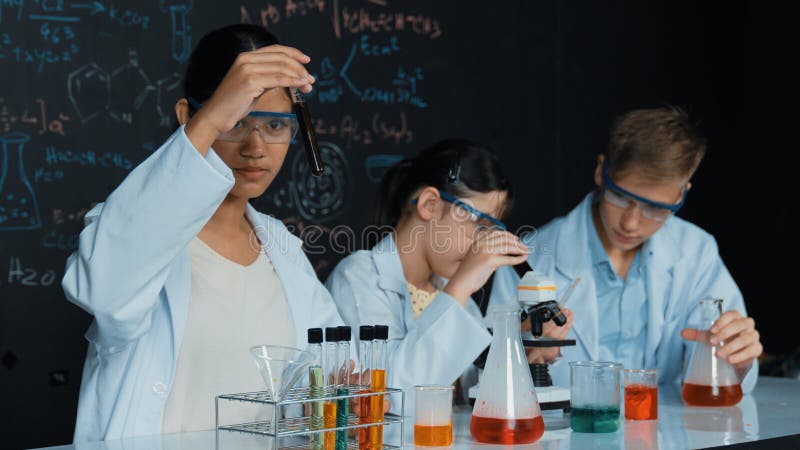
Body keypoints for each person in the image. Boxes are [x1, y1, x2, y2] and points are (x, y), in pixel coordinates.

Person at [62, 24, 346, 441]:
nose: (255, 147)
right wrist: (213, 117)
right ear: (187, 116)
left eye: (275, 126)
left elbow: (331, 377)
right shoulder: (136, 228)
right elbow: (102, 292)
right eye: (236, 120)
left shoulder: (282, 251)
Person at [490, 107, 762, 391]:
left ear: (681, 194)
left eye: (655, 208)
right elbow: (488, 378)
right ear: (600, 170)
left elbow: (726, 376)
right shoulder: (529, 257)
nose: (631, 224)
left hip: (662, 431)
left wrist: (736, 359)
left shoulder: (696, 254)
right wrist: (522, 349)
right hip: (564, 432)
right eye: (620, 197)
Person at [325, 139, 529, 404]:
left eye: (490, 230)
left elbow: (472, 397)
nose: (482, 243)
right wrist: (459, 288)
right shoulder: (359, 278)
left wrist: (520, 352)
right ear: (430, 204)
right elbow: (390, 398)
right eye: (479, 224)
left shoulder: (453, 293)